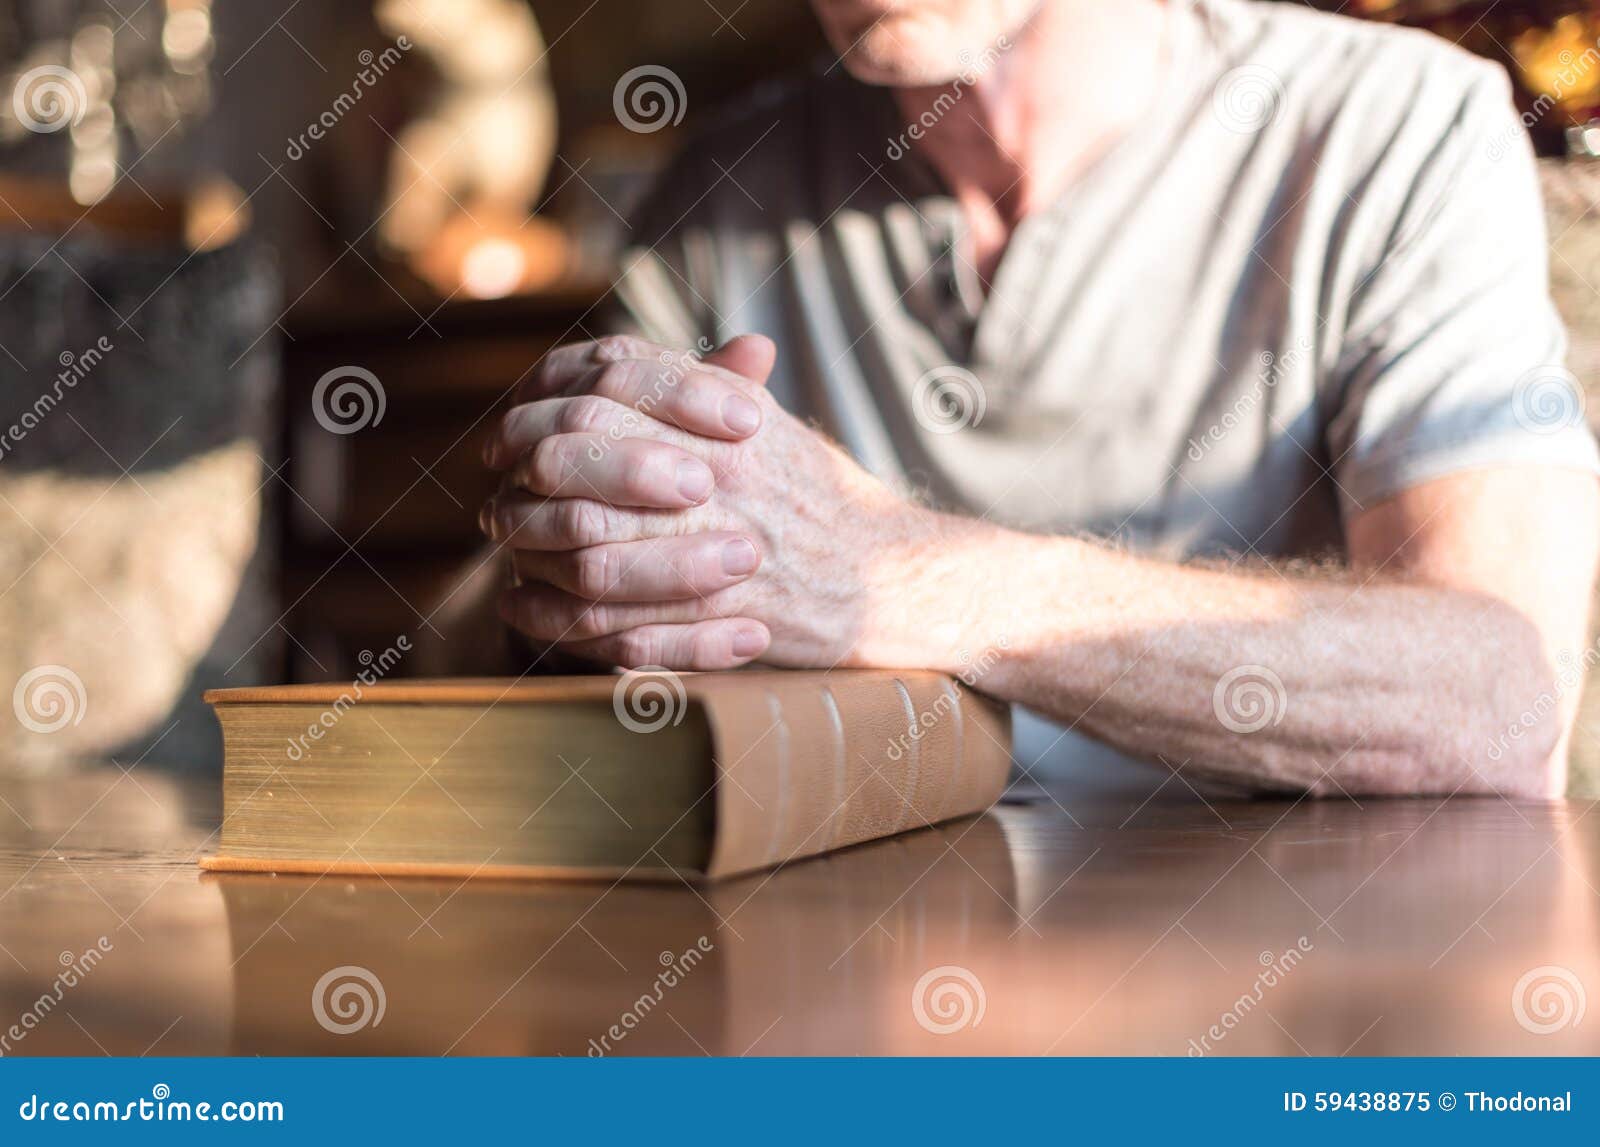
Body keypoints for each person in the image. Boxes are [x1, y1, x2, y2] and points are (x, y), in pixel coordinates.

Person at [478, 0, 1600, 797]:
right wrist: (571, 553)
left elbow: (1499, 704)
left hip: (1280, 980)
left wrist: (891, 573)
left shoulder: (1394, 124)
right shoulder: (723, 187)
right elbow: (585, 648)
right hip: (857, 949)